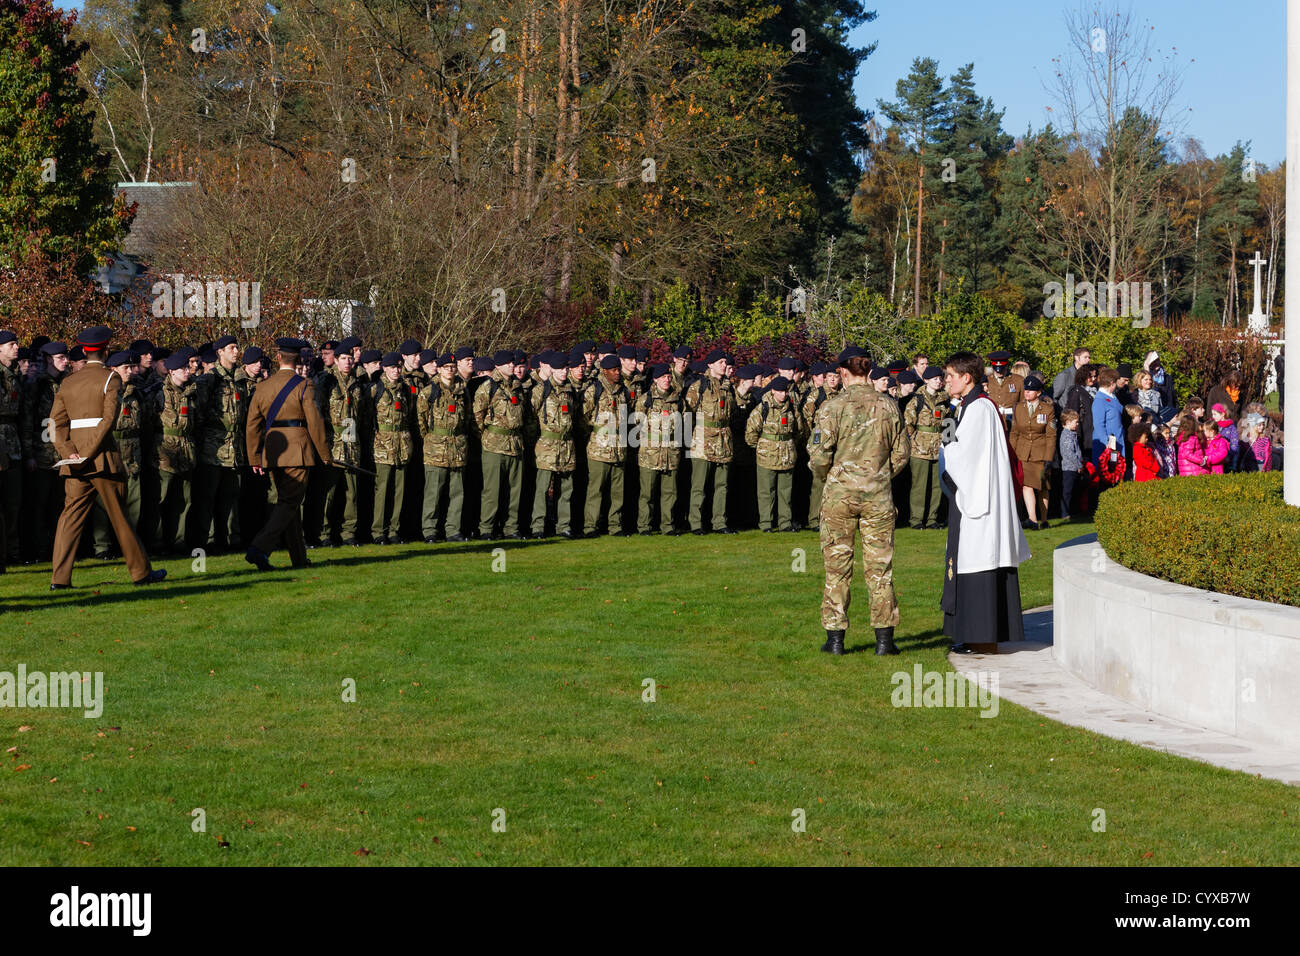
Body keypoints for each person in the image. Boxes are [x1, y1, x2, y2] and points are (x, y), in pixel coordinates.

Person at [47, 326, 165, 590]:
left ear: (84, 351)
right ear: (106, 349)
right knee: (120, 517)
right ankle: (141, 572)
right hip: (100, 458)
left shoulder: (68, 382)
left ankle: (59, 579)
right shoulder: (110, 378)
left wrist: (69, 453)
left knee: (69, 520)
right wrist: (87, 453)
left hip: (75, 461)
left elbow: (54, 424)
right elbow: (108, 420)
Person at [808, 350, 909, 656]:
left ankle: (835, 640)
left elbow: (818, 456)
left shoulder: (832, 407)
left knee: (837, 568)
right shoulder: (889, 406)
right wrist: (877, 476)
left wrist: (832, 477)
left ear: (842, 372)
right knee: (880, 570)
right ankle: (884, 641)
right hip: (877, 498)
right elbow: (902, 453)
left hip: (839, 498)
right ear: (868, 371)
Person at [938, 351, 1031, 654]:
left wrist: (946, 441)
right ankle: (971, 634)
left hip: (980, 501)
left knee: (979, 561)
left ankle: (981, 636)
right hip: (971, 494)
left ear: (966, 378)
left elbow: (965, 456)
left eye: (950, 375)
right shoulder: (969, 405)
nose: (946, 381)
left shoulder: (979, 408)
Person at [244, 337, 333, 570]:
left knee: (288, 504)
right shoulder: (304, 385)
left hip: (273, 451)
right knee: (289, 503)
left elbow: (252, 425)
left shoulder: (262, 387)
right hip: (297, 451)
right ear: (299, 360)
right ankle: (259, 548)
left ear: (278, 357)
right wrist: (325, 454)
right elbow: (315, 423)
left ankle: (299, 559)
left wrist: (255, 457)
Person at [684, 349, 738, 534]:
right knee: (699, 486)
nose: (724, 365)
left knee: (721, 485)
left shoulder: (728, 387)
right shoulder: (699, 386)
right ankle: (696, 523)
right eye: (720, 362)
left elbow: (733, 412)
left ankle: (719, 523)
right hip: (703, 441)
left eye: (725, 362)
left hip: (724, 441)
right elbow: (687, 414)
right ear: (710, 364)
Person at [419, 353, 470, 542]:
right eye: (446, 367)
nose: (450, 370)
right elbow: (421, 422)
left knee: (457, 493)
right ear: (439, 369)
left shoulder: (462, 391)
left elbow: (468, 418)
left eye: (452, 367)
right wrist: (433, 440)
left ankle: (453, 530)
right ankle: (429, 530)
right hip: (436, 449)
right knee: (433, 493)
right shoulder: (428, 392)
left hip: (457, 447)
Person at [530, 352, 578, 538]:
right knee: (542, 488)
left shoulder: (570, 391)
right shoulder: (541, 390)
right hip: (547, 446)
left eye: (566, 368)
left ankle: (563, 525)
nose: (564, 372)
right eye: (560, 369)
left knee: (566, 488)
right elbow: (530, 418)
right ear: (553, 370)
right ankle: (538, 526)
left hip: (566, 445)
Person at [745, 374, 801, 532]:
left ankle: (785, 523)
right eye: (781, 391)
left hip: (787, 456)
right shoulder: (763, 408)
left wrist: (789, 445)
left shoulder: (792, 408)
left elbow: (799, 430)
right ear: (773, 391)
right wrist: (763, 447)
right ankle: (766, 523)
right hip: (767, 456)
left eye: (786, 391)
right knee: (766, 492)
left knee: (785, 492)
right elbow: (751, 432)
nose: (784, 394)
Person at [370, 351, 415, 544]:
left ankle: (394, 530)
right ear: (384, 369)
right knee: (382, 490)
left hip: (402, 444)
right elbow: (367, 417)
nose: (396, 371)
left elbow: (410, 415)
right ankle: (378, 531)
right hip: (382, 445)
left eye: (398, 367)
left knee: (399, 490)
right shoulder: (376, 389)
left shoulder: (405, 389)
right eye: (392, 367)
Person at [636, 363, 683, 535]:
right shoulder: (645, 400)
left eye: (669, 377)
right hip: (650, 454)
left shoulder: (677, 400)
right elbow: (636, 424)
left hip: (671, 453)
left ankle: (668, 526)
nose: (667, 380)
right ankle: (644, 526)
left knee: (670, 493)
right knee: (647, 493)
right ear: (655, 379)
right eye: (663, 377)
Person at [1008, 375, 1056, 530]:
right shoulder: (1018, 408)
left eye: (1031, 390)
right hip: (1023, 453)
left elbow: (1051, 435)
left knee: (1043, 487)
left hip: (1041, 453)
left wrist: (1049, 457)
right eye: (1026, 389)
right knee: (1027, 485)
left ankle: (1044, 519)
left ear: (1039, 392)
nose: (1027, 392)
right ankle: (1033, 519)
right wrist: (1011, 453)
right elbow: (1014, 433)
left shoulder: (1048, 409)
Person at [904, 366, 947, 529]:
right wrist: (914, 441)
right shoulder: (917, 400)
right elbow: (908, 423)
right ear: (926, 380)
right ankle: (916, 519)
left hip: (938, 446)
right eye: (935, 379)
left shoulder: (944, 399)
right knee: (919, 485)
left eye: (940, 379)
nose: (938, 381)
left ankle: (932, 519)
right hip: (920, 448)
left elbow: (947, 421)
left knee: (937, 485)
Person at [1090, 367, 1125, 465]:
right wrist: (1106, 442)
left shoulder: (1113, 397)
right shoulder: (1099, 400)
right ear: (1111, 383)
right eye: (1115, 382)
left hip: (1117, 440)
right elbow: (1098, 424)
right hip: (1107, 444)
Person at [1058, 409, 1084, 518]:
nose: (1078, 424)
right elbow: (1069, 453)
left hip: (1074, 467)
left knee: (1074, 490)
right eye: (1076, 422)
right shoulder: (1066, 436)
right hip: (1069, 468)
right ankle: (1065, 513)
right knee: (1067, 491)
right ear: (1068, 422)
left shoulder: (1072, 434)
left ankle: (1073, 511)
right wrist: (1079, 465)